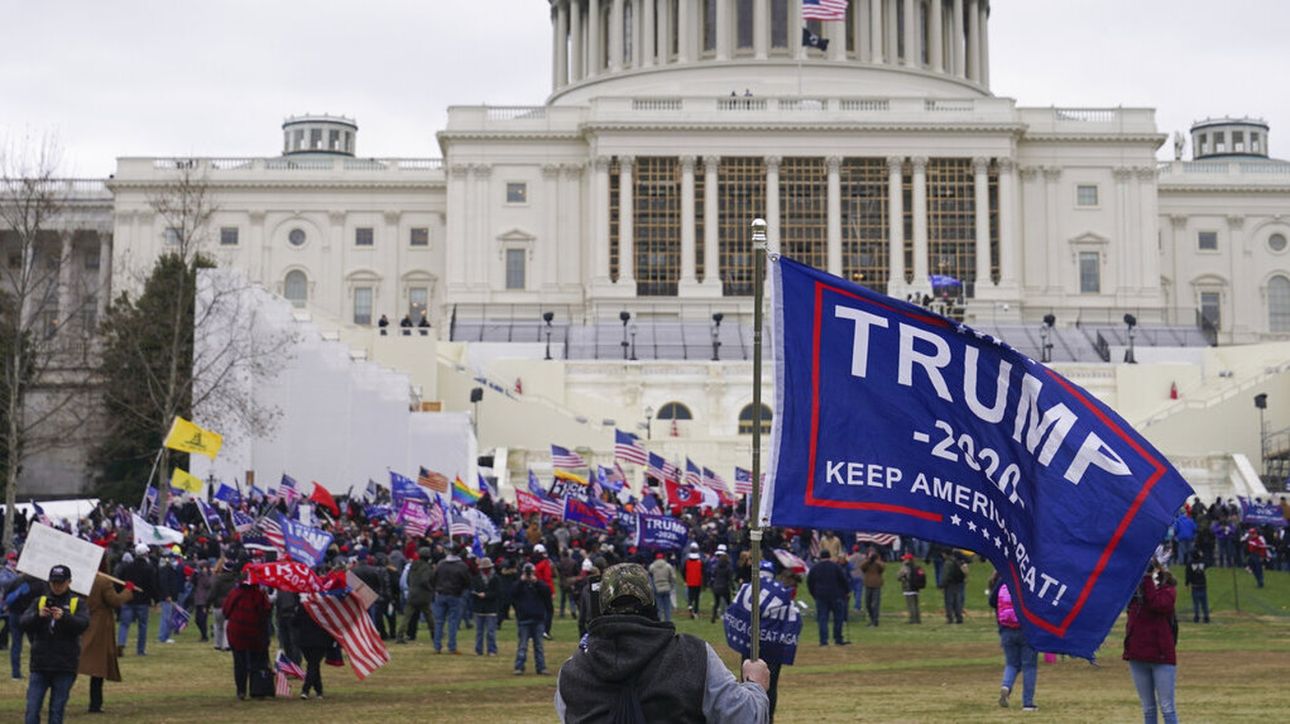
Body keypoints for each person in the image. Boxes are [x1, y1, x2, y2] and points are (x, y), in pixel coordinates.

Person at [554, 562, 770, 723]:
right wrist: (756, 685)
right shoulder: (693, 655)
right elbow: (745, 717)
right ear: (652, 602)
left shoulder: (572, 671)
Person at [21, 565, 89, 724]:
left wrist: (64, 618)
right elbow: (24, 622)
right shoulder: (40, 601)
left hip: (64, 665)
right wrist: (38, 616)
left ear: (69, 582)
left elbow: (83, 624)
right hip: (40, 665)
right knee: (32, 709)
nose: (57, 586)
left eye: (60, 582)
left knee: (56, 711)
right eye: (54, 582)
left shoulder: (77, 602)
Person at [1123, 563, 1179, 724]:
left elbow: (1158, 604)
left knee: (1167, 707)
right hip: (1137, 654)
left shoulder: (1168, 590)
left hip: (1161, 656)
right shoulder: (1136, 592)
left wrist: (1146, 579)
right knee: (1148, 708)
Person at [80, 557, 136, 714]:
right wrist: (128, 591)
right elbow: (115, 601)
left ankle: (94, 703)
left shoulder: (83, 579)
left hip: (86, 620)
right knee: (98, 667)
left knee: (89, 665)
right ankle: (95, 704)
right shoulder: (103, 582)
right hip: (99, 626)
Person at [989, 572, 1037, 711]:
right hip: (1028, 630)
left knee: (1011, 664)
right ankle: (1028, 703)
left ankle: (1006, 686)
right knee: (1029, 666)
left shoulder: (1005, 578)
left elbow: (992, 601)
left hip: (1006, 629)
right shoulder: (1031, 580)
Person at [222, 570, 271, 700]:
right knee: (256, 662)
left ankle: (241, 691)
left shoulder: (235, 594)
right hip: (254, 633)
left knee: (239, 663)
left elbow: (226, 611)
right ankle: (256, 690)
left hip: (236, 633)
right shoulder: (259, 595)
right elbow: (265, 613)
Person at [510, 563, 552, 675]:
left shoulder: (539, 585)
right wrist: (521, 581)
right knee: (522, 645)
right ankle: (519, 666)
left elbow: (547, 592)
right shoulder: (519, 585)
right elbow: (512, 593)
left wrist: (536, 582)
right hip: (524, 618)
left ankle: (541, 667)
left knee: (539, 646)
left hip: (537, 618)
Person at [117, 544, 157, 655]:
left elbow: (120, 582)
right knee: (142, 626)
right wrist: (155, 599)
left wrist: (120, 594)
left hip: (128, 599)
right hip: (142, 601)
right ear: (146, 554)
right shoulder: (149, 568)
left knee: (124, 624)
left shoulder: (127, 567)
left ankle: (121, 642)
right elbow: (152, 586)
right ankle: (140, 650)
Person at [430, 545, 471, 654]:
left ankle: (437, 646)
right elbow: (467, 581)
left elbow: (433, 578)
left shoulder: (441, 564)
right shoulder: (462, 566)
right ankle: (452, 647)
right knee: (453, 622)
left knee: (439, 622)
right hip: (455, 594)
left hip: (441, 593)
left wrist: (437, 588)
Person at [5, 568, 44, 679]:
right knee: (35, 644)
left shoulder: (16, 581)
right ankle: (35, 670)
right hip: (31, 616)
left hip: (15, 614)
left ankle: (15, 673)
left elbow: (6, 599)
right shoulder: (40, 583)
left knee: (16, 645)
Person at [805, 549, 849, 646]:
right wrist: (846, 592)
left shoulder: (815, 568)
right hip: (836, 595)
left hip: (821, 596)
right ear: (829, 556)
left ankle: (823, 640)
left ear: (821, 557)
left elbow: (810, 582)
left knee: (822, 618)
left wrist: (814, 594)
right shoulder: (836, 567)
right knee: (838, 618)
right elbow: (843, 580)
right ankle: (838, 638)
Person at [292, 603, 334, 699]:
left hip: (305, 641)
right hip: (321, 641)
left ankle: (317, 691)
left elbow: (294, 622)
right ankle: (307, 690)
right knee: (314, 665)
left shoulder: (303, 606)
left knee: (313, 665)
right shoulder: (325, 606)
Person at [399, 547, 435, 644]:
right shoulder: (427, 567)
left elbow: (408, 580)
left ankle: (400, 635)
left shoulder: (412, 566)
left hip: (412, 593)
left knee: (406, 616)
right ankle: (434, 633)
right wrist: (430, 589)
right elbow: (425, 580)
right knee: (429, 615)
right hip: (423, 594)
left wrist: (412, 587)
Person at [471, 557, 502, 656]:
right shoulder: (476, 578)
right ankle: (478, 650)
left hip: (491, 608)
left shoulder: (496, 578)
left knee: (490, 631)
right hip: (479, 608)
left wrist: (486, 595)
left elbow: (498, 593)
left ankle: (492, 649)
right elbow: (472, 590)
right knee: (479, 632)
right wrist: (476, 594)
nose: (485, 570)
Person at [155, 550, 184, 645]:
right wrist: (167, 595)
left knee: (169, 617)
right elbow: (164, 583)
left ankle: (166, 636)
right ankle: (162, 637)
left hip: (172, 596)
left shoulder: (171, 569)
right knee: (166, 617)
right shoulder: (166, 569)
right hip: (167, 597)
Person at [532, 544, 555, 639]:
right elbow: (548, 578)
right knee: (549, 610)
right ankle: (545, 630)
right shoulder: (545, 563)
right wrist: (552, 591)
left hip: (534, 588)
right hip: (544, 589)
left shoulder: (532, 563)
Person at [859, 547, 885, 627]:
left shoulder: (878, 561)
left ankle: (875, 621)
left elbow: (882, 567)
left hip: (876, 584)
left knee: (875, 604)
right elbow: (862, 567)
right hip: (868, 584)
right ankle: (871, 619)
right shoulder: (866, 561)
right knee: (868, 604)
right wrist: (869, 560)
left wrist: (876, 560)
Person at [708, 545, 734, 623]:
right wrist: (733, 588)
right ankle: (731, 617)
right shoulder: (728, 568)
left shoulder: (716, 567)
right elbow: (730, 579)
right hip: (724, 587)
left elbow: (713, 575)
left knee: (716, 603)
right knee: (729, 603)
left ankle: (713, 617)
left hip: (716, 587)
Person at [940, 550, 968, 624]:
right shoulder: (957, 561)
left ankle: (950, 618)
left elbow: (946, 575)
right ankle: (959, 617)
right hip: (958, 583)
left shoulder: (948, 563)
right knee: (957, 602)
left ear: (945, 554)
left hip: (950, 584)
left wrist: (942, 585)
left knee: (949, 602)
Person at [647, 552, 675, 622]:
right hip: (666, 588)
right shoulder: (668, 566)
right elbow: (672, 577)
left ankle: (659, 621)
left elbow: (649, 578)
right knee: (667, 608)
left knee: (659, 608)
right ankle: (668, 621)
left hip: (657, 589)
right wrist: (671, 585)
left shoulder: (652, 566)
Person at [190, 560, 213, 642]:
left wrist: (205, 574)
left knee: (203, 619)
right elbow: (192, 582)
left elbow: (209, 584)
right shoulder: (198, 575)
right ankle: (203, 634)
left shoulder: (209, 575)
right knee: (197, 619)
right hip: (198, 599)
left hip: (205, 600)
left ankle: (204, 636)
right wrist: (195, 574)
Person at [1183, 549, 1209, 624]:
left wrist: (1187, 584)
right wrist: (1202, 557)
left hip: (1194, 585)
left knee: (1196, 603)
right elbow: (1208, 563)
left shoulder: (1189, 563)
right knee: (1204, 602)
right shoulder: (1202, 562)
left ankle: (1197, 617)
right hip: (1203, 584)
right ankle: (1206, 616)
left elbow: (1187, 575)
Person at [896, 553, 922, 624]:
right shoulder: (917, 566)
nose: (903, 560)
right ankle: (917, 619)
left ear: (908, 559)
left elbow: (898, 577)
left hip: (908, 587)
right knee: (916, 604)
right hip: (916, 587)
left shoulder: (905, 567)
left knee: (911, 605)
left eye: (904, 559)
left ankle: (913, 619)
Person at [683, 545, 704, 619]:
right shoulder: (700, 562)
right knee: (697, 598)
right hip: (698, 582)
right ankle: (695, 612)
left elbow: (683, 571)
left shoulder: (687, 562)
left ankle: (690, 606)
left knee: (690, 596)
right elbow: (703, 572)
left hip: (690, 581)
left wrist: (685, 579)